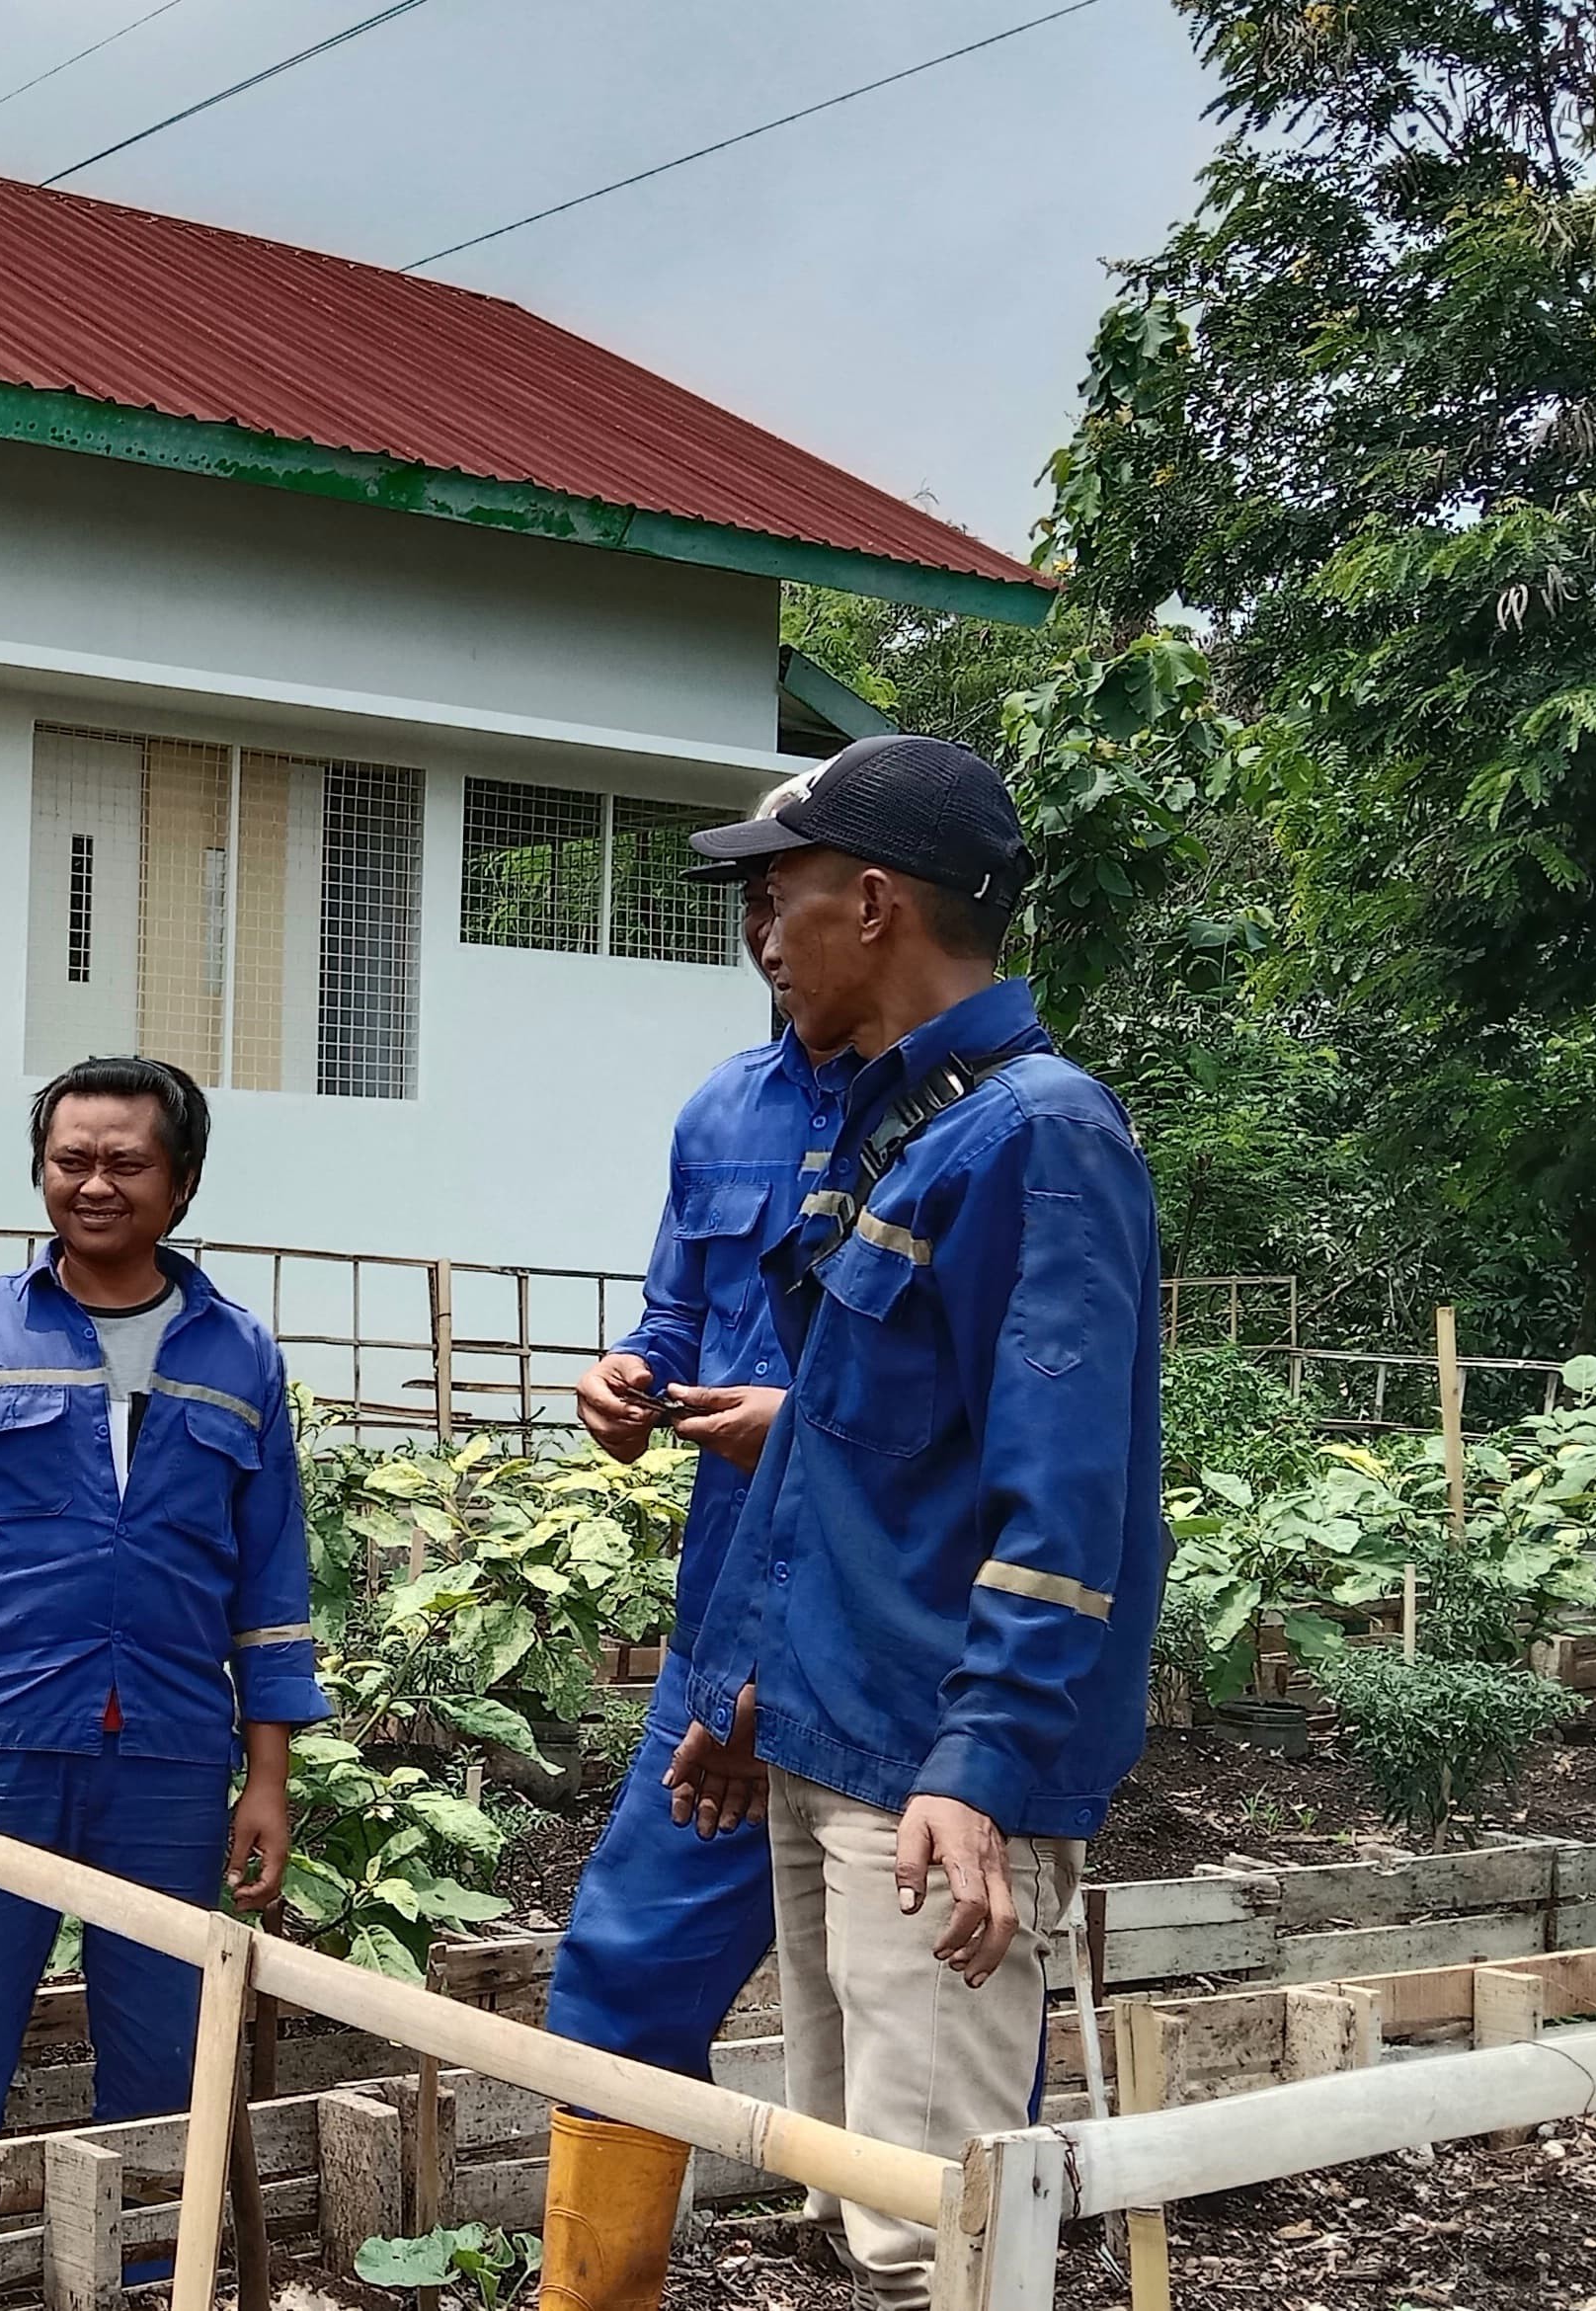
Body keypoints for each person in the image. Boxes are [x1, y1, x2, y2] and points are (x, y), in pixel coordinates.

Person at [671, 736, 1166, 2310]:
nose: (760, 933)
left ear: (873, 901)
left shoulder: (1040, 1136)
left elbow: (1070, 1493)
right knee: (850, 2200)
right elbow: (832, 1461)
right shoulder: (904, 1130)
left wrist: (986, 1762)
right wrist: (749, 1689)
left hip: (930, 1781)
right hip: (830, 1743)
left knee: (936, 2242)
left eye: (781, 895)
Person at [0, 1057, 325, 2156]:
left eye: (125, 1163)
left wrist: (268, 1776)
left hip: (169, 1757)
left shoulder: (239, 1354)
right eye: (69, 1161)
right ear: (41, 1173)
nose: (94, 1184)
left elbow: (268, 1581)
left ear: (180, 1182)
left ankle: (141, 2270)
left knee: (161, 2059)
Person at [535, 793, 859, 2311]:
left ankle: (976, 2268)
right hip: (727, 1612)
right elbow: (671, 1320)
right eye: (745, 901)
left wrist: (799, 1422)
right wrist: (625, 1379)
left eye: (777, 894)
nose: (756, 928)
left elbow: (978, 1418)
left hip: (886, 1637)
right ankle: (597, 2291)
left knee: (923, 2014)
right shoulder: (722, 1111)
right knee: (621, 1970)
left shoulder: (974, 1125)